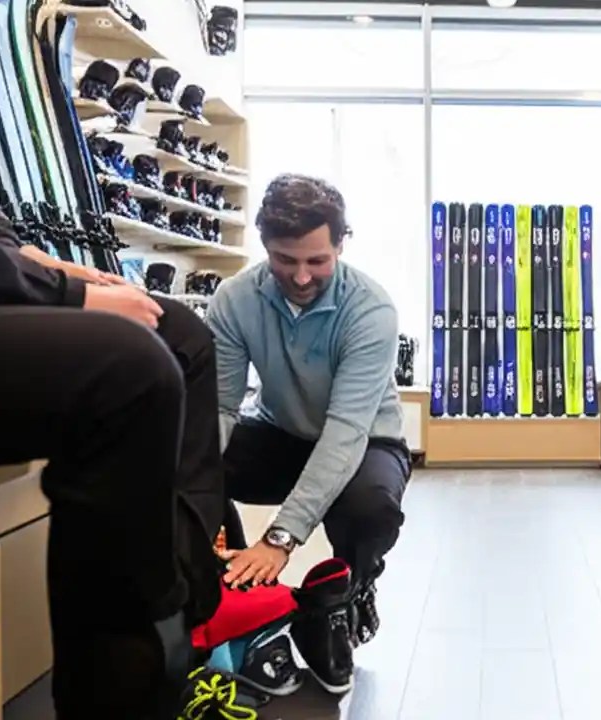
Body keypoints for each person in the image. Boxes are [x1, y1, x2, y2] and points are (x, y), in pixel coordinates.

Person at [0, 16, 237, 720]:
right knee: (128, 370)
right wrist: (69, 295)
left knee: (180, 333)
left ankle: (181, 594)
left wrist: (66, 272)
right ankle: (126, 682)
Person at [206, 173, 411, 694]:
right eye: (285, 260)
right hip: (280, 433)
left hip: (365, 440)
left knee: (371, 510)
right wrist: (195, 489)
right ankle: (233, 590)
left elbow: (344, 433)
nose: (300, 276)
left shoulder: (371, 309)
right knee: (196, 468)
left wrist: (281, 539)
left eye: (317, 261)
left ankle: (336, 602)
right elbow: (223, 408)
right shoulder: (234, 300)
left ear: (341, 244)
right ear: (265, 246)